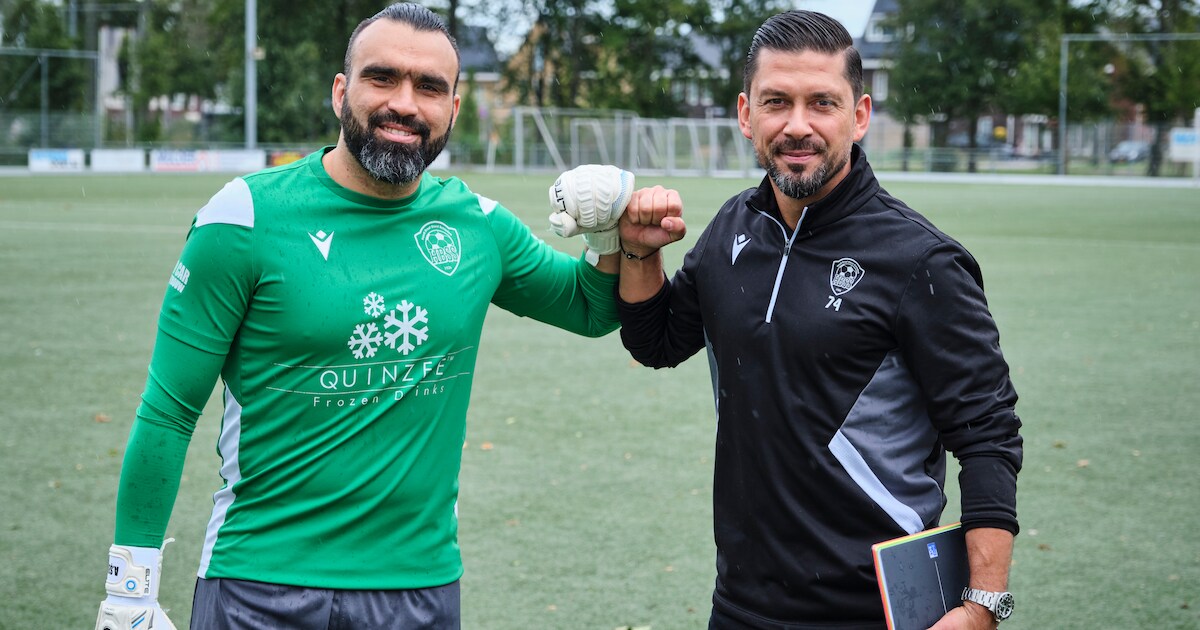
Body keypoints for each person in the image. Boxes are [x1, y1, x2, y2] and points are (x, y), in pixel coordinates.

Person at [94, 4, 637, 629]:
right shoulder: (242, 217)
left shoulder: (478, 225)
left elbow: (591, 309)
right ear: (340, 91)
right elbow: (169, 410)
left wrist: (607, 237)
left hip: (419, 589)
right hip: (257, 584)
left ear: (453, 109)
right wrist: (129, 590)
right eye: (382, 78)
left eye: (430, 87)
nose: (405, 103)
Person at [613, 10, 1023, 630]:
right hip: (742, 603)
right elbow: (658, 341)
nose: (797, 126)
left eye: (822, 103)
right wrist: (640, 253)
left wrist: (982, 606)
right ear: (747, 114)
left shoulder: (919, 259)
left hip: (877, 611)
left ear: (858, 116)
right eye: (777, 101)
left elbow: (988, 435)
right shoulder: (732, 226)